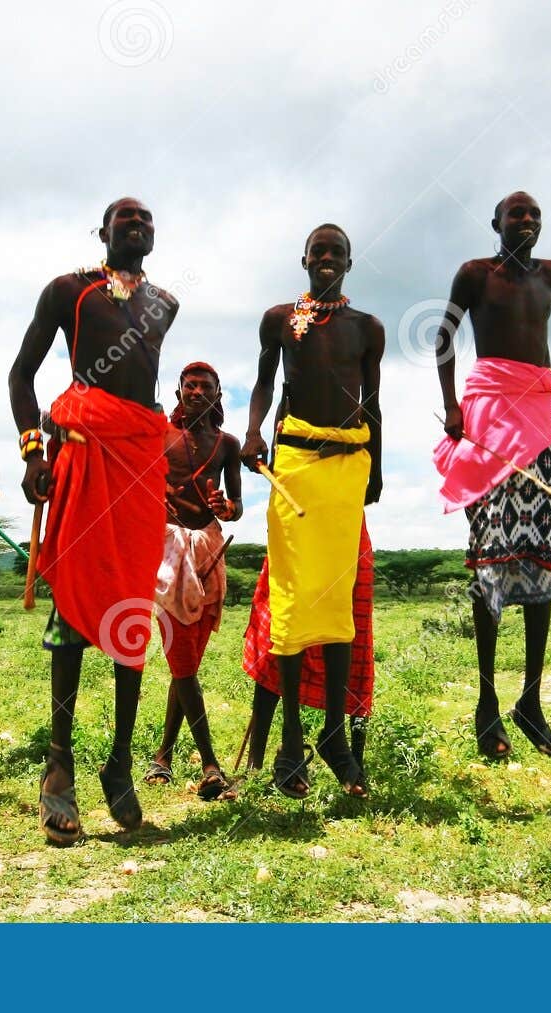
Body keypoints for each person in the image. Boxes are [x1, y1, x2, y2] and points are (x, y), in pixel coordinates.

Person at [9, 197, 176, 845]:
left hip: (139, 463)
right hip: (83, 459)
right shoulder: (68, 292)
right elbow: (22, 374)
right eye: (124, 218)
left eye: (146, 220)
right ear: (103, 231)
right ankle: (58, 766)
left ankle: (121, 762)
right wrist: (31, 450)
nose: (137, 225)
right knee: (75, 610)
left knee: (132, 607)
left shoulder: (165, 301)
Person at [240, 223, 383, 799]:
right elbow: (263, 384)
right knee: (296, 602)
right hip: (295, 464)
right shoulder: (280, 319)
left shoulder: (367, 328)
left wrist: (378, 467)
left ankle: (334, 737)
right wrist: (252, 431)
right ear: (304, 259)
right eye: (319, 252)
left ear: (349, 262)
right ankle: (292, 742)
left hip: (349, 464)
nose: (327, 259)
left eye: (338, 253)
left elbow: (373, 399)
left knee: (340, 596)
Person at [432, 191, 551, 761]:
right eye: (517, 214)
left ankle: (530, 702)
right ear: (497, 223)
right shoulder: (474, 274)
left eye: (535, 214)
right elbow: (443, 338)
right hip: (487, 418)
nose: (528, 221)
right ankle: (487, 705)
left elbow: (538, 342)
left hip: (538, 420)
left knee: (540, 556)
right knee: (489, 560)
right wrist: (453, 407)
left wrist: (542, 384)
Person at [144, 362, 242, 802]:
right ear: (180, 391)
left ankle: (162, 756)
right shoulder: (157, 436)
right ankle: (210, 763)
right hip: (165, 549)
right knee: (181, 658)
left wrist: (226, 505)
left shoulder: (227, 445)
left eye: (205, 386)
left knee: (187, 662)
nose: (196, 391)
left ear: (218, 394)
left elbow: (236, 506)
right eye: (190, 385)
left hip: (208, 548)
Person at [241, 519, 376, 773]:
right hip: (294, 534)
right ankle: (255, 767)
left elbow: (373, 492)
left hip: (346, 535)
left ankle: (351, 757)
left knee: (353, 639)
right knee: (277, 640)